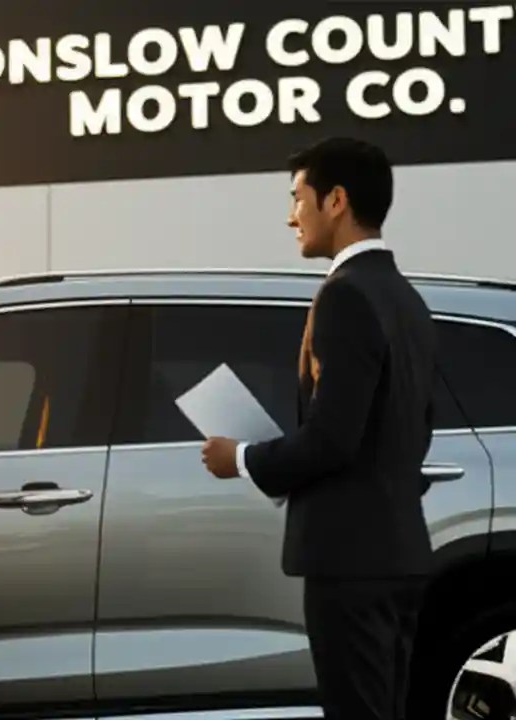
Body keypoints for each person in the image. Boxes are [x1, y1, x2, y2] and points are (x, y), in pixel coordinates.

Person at [200, 137, 435, 720]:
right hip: (401, 553)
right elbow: (418, 425)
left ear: (336, 200)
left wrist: (242, 458)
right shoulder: (407, 298)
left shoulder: (344, 295)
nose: (291, 217)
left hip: (349, 562)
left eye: (297, 199)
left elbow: (332, 439)